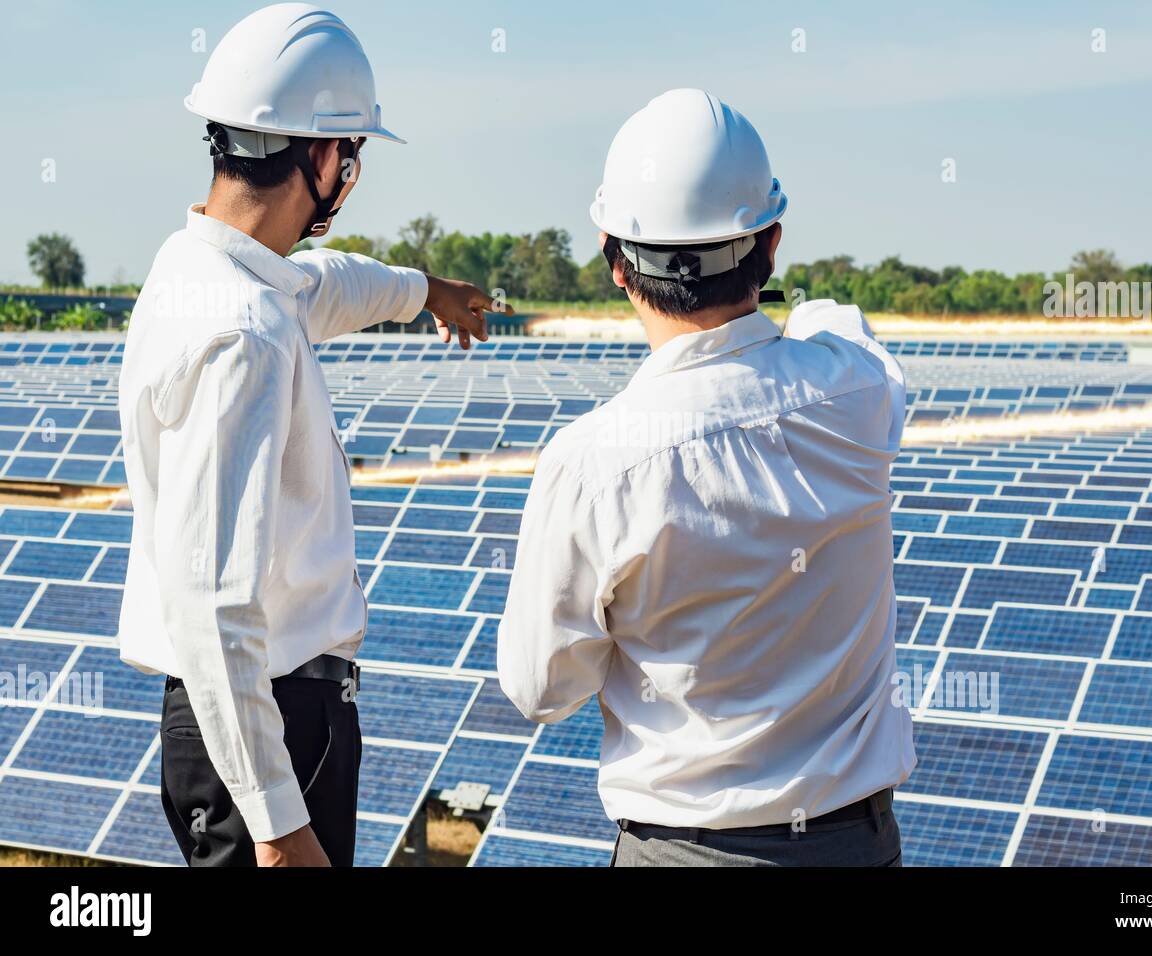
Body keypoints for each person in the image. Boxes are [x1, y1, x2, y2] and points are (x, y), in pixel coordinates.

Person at [118, 3, 504, 867]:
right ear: (325, 157)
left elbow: (319, 285)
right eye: (352, 153)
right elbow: (213, 606)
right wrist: (277, 824)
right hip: (270, 726)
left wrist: (422, 289)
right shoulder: (244, 336)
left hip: (246, 721)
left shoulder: (197, 273)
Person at [498, 89, 914, 866]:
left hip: (681, 850)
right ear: (771, 244)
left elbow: (542, 690)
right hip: (856, 845)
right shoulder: (857, 395)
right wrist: (806, 311)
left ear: (614, 261)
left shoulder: (592, 461)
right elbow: (846, 330)